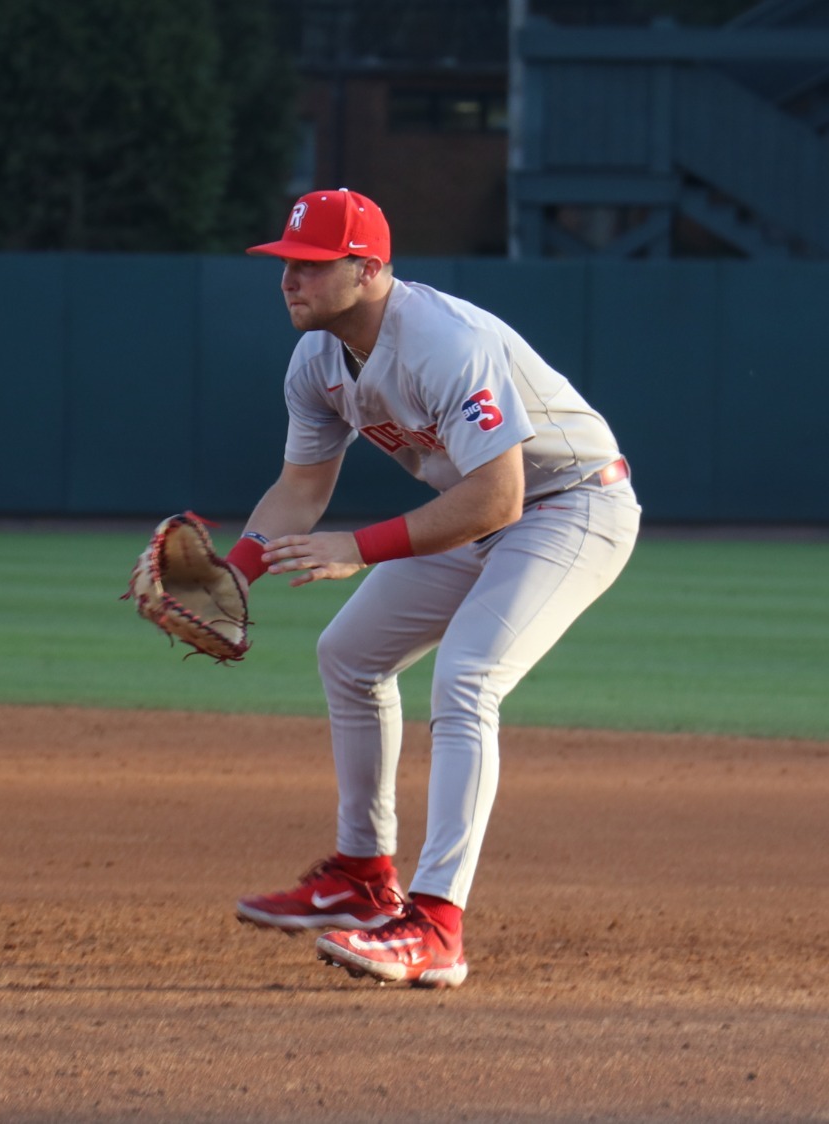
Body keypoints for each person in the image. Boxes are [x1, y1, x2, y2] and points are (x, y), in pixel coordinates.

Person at [225, 188, 640, 989]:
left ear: (370, 269)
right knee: (348, 655)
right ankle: (361, 875)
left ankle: (437, 925)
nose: (290, 281)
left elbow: (499, 499)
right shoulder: (317, 359)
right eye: (287, 265)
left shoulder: (445, 343)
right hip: (484, 511)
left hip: (574, 503)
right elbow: (301, 490)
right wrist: (232, 571)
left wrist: (360, 548)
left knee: (469, 678)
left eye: (312, 267)